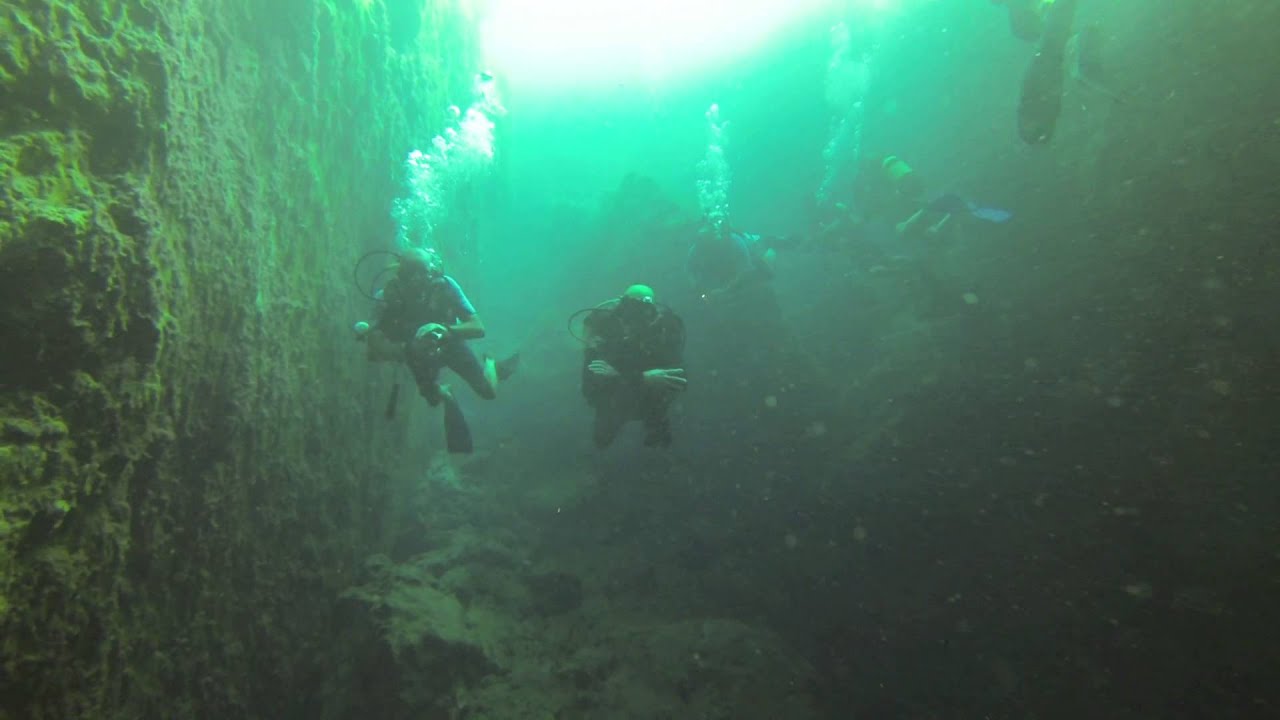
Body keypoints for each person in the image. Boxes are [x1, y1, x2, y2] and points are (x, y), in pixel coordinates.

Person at [354, 247, 516, 453]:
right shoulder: (388, 295)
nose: (416, 280)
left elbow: (478, 327)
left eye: (421, 272)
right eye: (410, 273)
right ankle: (445, 392)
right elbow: (374, 344)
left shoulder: (446, 287)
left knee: (488, 392)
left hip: (451, 344)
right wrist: (407, 348)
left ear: (431, 271)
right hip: (416, 353)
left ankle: (490, 362)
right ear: (400, 273)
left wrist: (446, 331)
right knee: (432, 399)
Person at [580, 284, 687, 448]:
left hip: (648, 402)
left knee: (659, 442)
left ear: (652, 309)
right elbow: (589, 388)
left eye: (644, 310)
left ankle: (656, 446)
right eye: (633, 309)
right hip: (615, 401)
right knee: (600, 442)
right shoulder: (605, 328)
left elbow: (679, 379)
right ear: (623, 307)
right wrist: (643, 378)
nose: (638, 317)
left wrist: (619, 375)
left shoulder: (664, 329)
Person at [686, 222, 779, 301]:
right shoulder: (696, 249)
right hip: (730, 269)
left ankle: (772, 244)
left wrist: (725, 291)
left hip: (749, 252)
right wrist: (697, 288)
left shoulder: (735, 241)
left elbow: (745, 270)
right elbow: (689, 269)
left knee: (767, 273)